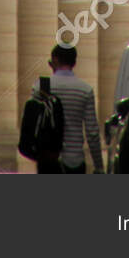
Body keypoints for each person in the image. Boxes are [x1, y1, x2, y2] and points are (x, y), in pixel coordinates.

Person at [41, 44, 104, 174]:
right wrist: (99, 166)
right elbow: (92, 132)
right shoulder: (85, 90)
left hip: (48, 161)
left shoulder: (41, 88)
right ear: (74, 63)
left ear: (55, 60)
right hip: (75, 161)